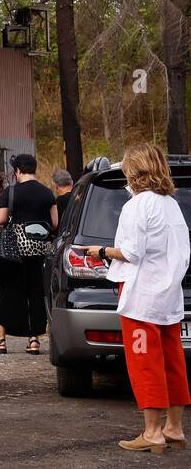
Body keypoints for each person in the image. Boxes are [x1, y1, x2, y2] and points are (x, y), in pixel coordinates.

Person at [82, 143, 190, 452]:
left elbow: (130, 252)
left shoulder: (136, 206)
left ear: (134, 171)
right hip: (169, 296)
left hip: (142, 297)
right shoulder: (171, 204)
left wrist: (100, 251)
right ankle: (174, 427)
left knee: (145, 362)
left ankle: (152, 432)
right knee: (173, 361)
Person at [0, 153, 57, 355]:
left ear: (18, 171)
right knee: (35, 294)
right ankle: (34, 340)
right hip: (39, 252)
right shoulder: (47, 193)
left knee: (6, 292)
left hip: (15, 253)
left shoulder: (11, 192)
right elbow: (54, 223)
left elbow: (0, 219)